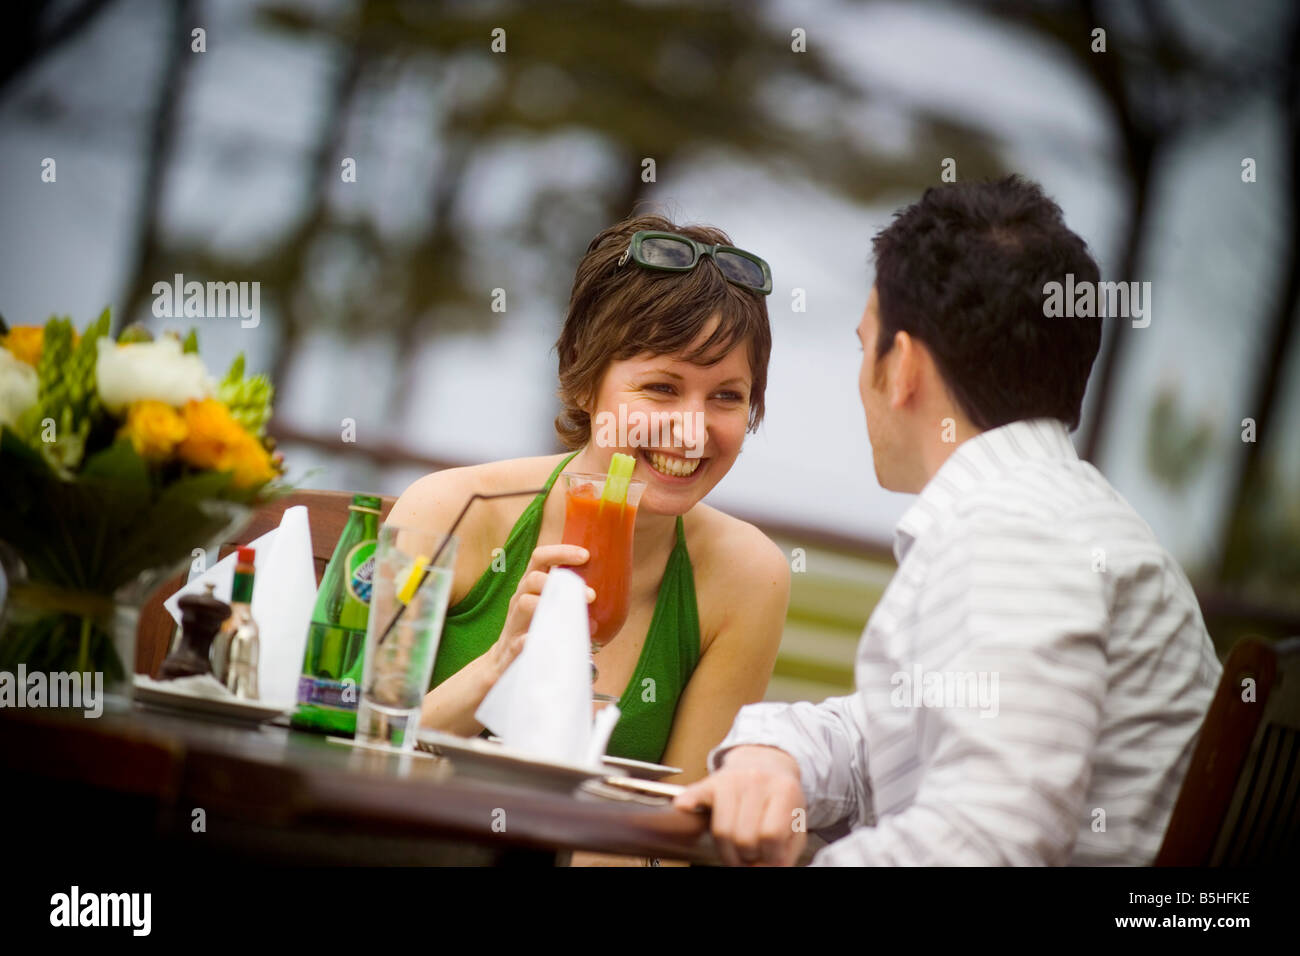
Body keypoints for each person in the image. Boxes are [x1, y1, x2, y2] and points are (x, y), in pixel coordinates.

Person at [676, 176, 1223, 866]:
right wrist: (773, 749)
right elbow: (899, 728)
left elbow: (988, 843)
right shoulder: (1059, 514)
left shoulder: (1014, 539)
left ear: (901, 365)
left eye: (863, 344)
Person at [389, 213, 790, 784]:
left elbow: (675, 823)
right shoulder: (452, 512)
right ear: (583, 376)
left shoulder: (748, 577)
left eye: (727, 396)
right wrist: (499, 663)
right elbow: (343, 747)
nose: (692, 432)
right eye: (661, 388)